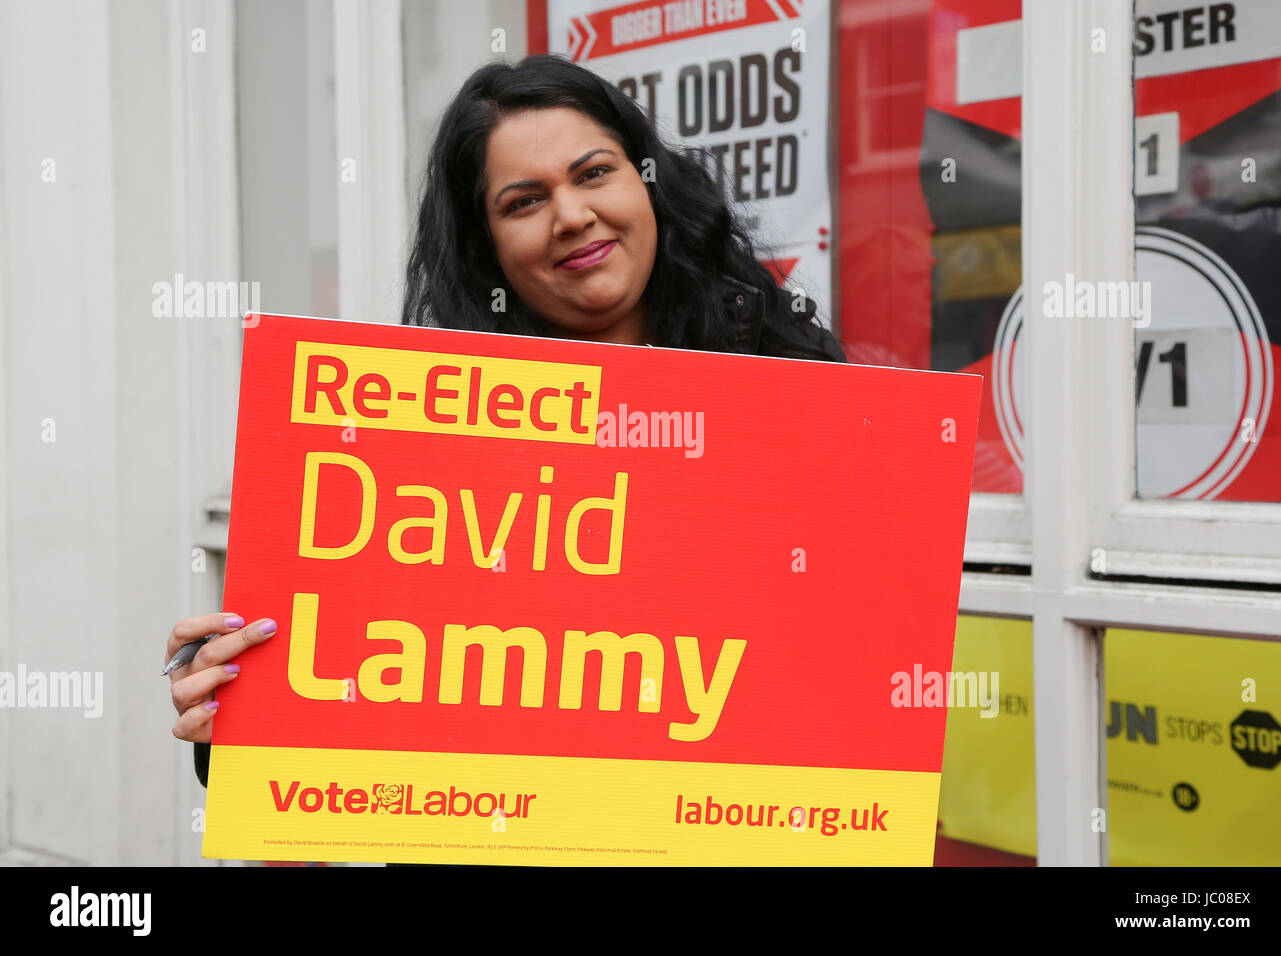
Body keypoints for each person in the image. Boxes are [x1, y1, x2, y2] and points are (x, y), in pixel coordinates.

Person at [169, 54, 846, 802]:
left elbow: (844, 655)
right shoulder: (419, 443)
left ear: (647, 180)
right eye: (524, 202)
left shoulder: (793, 384)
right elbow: (356, 696)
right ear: (483, 245)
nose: (571, 216)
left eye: (593, 173)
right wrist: (230, 707)